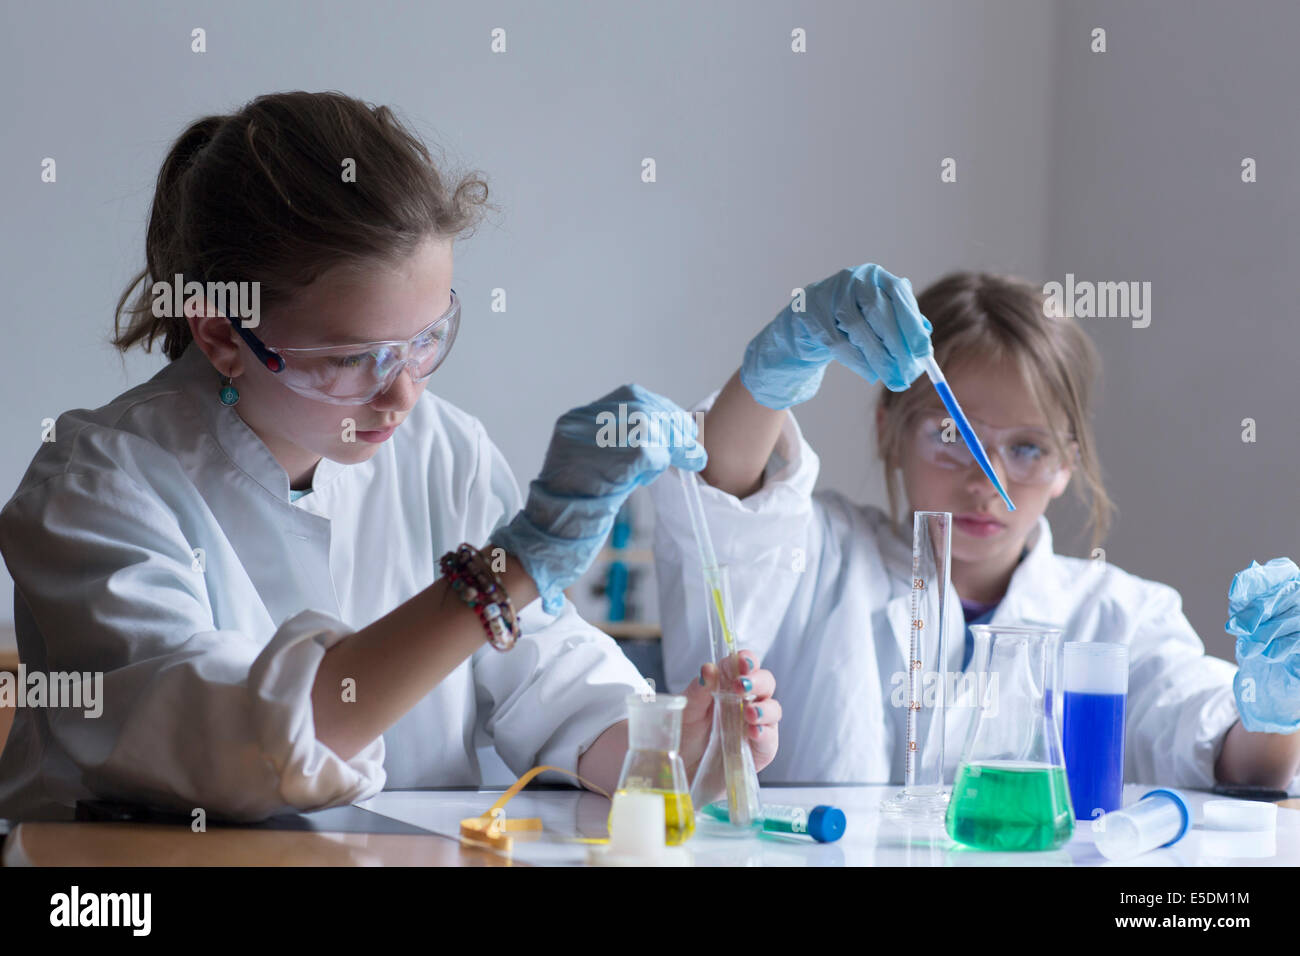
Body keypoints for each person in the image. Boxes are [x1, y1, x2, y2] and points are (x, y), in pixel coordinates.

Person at [0, 91, 780, 822]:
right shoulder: (99, 484)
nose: (402, 394)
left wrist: (676, 746)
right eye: (351, 358)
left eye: (425, 340)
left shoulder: (445, 452)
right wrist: (502, 574)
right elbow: (227, 744)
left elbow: (549, 686)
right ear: (219, 334)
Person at [651, 264, 1300, 791]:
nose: (986, 483)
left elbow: (1238, 760)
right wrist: (781, 366)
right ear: (888, 426)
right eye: (948, 434)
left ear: (1067, 464)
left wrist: (1280, 702)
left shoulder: (1120, 619)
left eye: (1027, 448)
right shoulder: (818, 560)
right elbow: (720, 500)